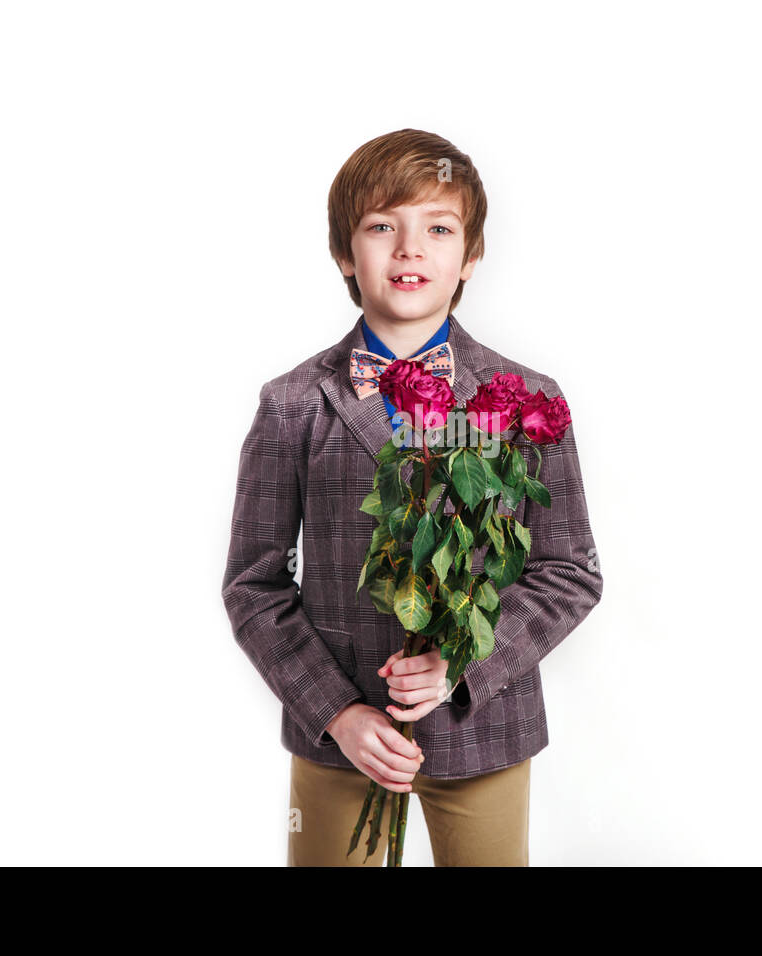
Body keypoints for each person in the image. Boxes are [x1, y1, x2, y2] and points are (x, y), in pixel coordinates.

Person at [221, 129, 603, 866]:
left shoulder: (524, 400)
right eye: (380, 227)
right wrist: (335, 712)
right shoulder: (292, 405)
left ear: (471, 254)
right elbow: (253, 584)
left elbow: (569, 571)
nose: (409, 249)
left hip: (484, 729)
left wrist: (462, 663)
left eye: (437, 228)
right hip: (341, 743)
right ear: (343, 253)